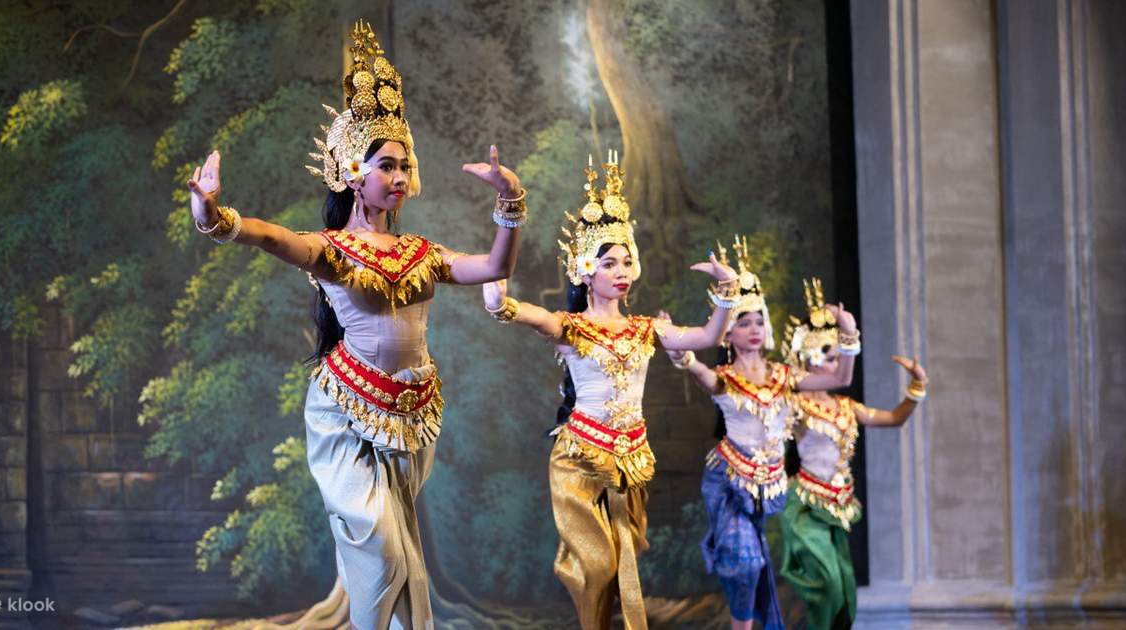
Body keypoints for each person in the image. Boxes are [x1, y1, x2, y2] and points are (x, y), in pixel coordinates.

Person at [185, 21, 527, 629]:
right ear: (351, 173)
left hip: (411, 411)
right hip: (345, 414)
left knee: (404, 562)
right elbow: (273, 237)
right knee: (382, 555)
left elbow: (496, 266)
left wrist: (510, 202)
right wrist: (212, 214)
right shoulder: (332, 250)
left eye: (405, 165)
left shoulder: (423, 252)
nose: (399, 177)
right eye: (386, 165)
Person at [480, 153, 738, 629]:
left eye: (626, 261)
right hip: (579, 459)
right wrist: (497, 289)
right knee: (597, 565)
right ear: (585, 270)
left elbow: (708, 337)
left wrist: (727, 291)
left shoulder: (646, 329)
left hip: (632, 460)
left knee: (619, 569)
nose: (621, 270)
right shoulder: (569, 327)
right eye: (609, 262)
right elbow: (513, 309)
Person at [667, 244, 857, 630]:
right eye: (744, 322)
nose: (754, 329)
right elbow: (698, 371)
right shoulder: (725, 379)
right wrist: (681, 354)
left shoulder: (785, 378)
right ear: (728, 332)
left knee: (757, 567)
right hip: (729, 481)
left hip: (769, 483)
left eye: (758, 321)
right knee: (747, 562)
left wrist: (849, 333)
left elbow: (841, 377)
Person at [776, 279, 928, 630]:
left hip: (839, 504)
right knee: (827, 584)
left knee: (845, 593)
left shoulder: (847, 407)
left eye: (837, 357)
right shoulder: (795, 405)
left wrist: (918, 386)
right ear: (810, 358)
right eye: (830, 357)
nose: (836, 365)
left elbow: (895, 418)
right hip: (805, 506)